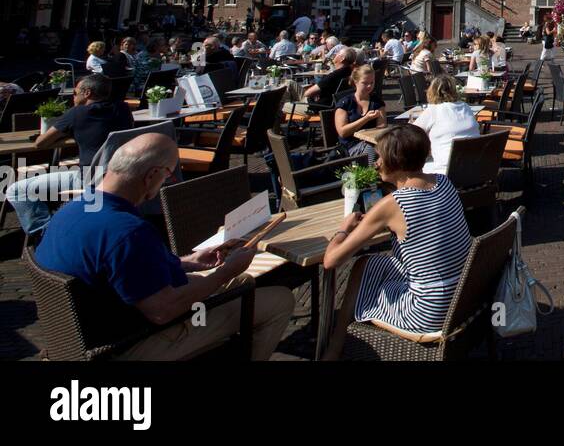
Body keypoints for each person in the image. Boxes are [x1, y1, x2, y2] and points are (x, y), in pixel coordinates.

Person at [34, 133, 294, 360]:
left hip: (83, 333)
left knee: (239, 283)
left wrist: (186, 261)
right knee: (279, 301)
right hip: (128, 344)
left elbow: (115, 265)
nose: (166, 184)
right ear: (151, 176)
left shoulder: (73, 209)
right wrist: (225, 272)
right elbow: (163, 311)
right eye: (168, 176)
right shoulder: (127, 231)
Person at [322, 124, 473, 358]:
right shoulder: (444, 182)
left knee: (365, 282)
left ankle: (337, 346)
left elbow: (331, 261)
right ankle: (337, 343)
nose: (376, 163)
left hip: (428, 310)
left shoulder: (394, 204)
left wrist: (343, 230)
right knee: (366, 265)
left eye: (380, 157)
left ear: (395, 161)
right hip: (463, 295)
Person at [4, 75, 134, 235]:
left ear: (87, 93)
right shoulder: (123, 108)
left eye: (75, 92)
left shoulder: (76, 113)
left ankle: (46, 231)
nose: (73, 96)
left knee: (16, 190)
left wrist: (67, 129)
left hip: (88, 178)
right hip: (119, 174)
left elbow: (41, 143)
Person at [412, 74, 479, 174]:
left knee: (409, 173)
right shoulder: (465, 107)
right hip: (476, 168)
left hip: (446, 172)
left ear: (431, 91)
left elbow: (410, 133)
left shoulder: (433, 110)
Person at [334, 64, 384, 161]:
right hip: (349, 148)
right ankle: (370, 175)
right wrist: (366, 119)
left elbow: (381, 128)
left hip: (371, 143)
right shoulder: (345, 103)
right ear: (355, 82)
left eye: (372, 82)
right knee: (372, 148)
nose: (369, 86)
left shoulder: (377, 102)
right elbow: (343, 132)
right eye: (365, 83)